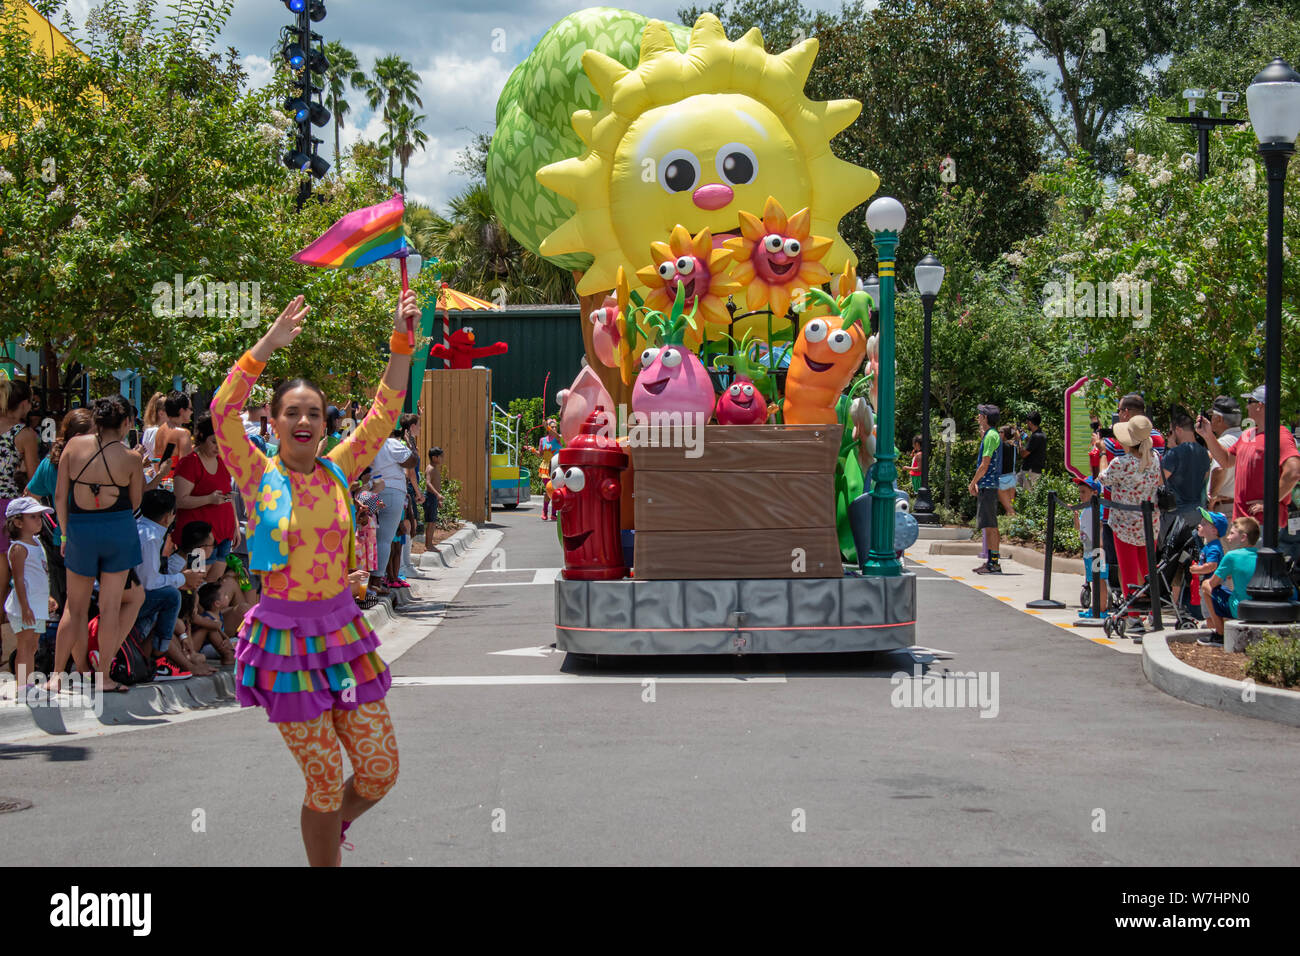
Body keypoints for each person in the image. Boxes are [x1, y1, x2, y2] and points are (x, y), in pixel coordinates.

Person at [210, 291, 413, 867]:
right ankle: (324, 853)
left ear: (326, 425)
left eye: (314, 413)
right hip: (283, 644)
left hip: (343, 638)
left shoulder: (338, 469)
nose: (303, 420)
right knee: (324, 781)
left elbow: (383, 413)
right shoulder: (255, 473)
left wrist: (401, 342)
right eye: (291, 412)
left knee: (379, 772)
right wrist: (267, 346)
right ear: (273, 423)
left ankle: (328, 831)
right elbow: (224, 411)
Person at [50, 394, 144, 693]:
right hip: (118, 531)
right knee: (110, 608)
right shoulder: (131, 458)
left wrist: (65, 534)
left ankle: (56, 675)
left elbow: (60, 496)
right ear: (127, 422)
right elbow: (136, 502)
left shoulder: (74, 446)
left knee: (73, 607)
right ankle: (103, 677)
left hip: (80, 530)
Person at [1197, 385, 1300, 535]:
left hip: (1262, 525)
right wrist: (1207, 435)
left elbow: (1294, 472)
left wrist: (1269, 502)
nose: (1246, 406)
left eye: (1250, 401)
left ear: (1260, 405)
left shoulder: (1280, 434)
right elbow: (1226, 460)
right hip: (1241, 524)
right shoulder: (1248, 434)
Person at [1098, 415, 1162, 638]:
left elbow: (1103, 479)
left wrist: (1103, 454)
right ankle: (1153, 612)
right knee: (1147, 570)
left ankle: (1133, 615)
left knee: (1128, 570)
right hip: (1149, 523)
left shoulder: (1121, 463)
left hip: (1124, 523)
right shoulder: (1154, 459)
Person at [134, 488, 209, 679]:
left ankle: (180, 655)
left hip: (134, 595)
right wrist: (183, 579)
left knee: (175, 599)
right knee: (170, 596)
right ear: (168, 516)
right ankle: (160, 656)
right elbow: (150, 582)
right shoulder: (150, 537)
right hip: (134, 597)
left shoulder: (143, 528)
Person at [172, 412, 237, 584]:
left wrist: (235, 525)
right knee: (194, 583)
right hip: (199, 540)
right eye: (214, 442)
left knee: (211, 587)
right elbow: (179, 500)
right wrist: (209, 499)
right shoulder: (189, 463)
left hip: (223, 535)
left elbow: (227, 496)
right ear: (201, 436)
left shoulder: (222, 461)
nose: (219, 447)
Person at [4, 497, 56, 690]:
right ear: (18, 522)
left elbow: (39, 574)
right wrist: (25, 608)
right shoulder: (19, 548)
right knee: (25, 645)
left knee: (33, 645)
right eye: (33, 517)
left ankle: (26, 683)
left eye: (39, 516)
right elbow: (18, 580)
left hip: (36, 603)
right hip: (25, 606)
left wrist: (48, 597)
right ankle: (23, 686)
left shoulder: (36, 542)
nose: (38, 520)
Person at [369, 420, 419, 591]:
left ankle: (366, 580)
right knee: (385, 539)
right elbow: (410, 462)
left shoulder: (365, 445)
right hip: (392, 491)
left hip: (370, 491)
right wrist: (411, 446)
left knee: (369, 536)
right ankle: (377, 580)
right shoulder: (390, 443)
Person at [1199, 515, 1260, 645]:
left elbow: (1213, 583)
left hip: (1240, 608)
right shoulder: (1260, 554)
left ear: (1243, 538)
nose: (1228, 537)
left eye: (1232, 533)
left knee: (1205, 585)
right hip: (1259, 608)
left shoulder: (1232, 556)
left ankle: (1220, 634)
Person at [0, 380, 40, 552]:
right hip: (7, 502)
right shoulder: (24, 434)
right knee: (3, 558)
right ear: (24, 404)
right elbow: (35, 479)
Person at [26, 408, 94, 505]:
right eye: (96, 435)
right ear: (79, 437)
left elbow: (28, 499)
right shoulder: (98, 462)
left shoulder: (49, 463)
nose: (100, 440)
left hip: (61, 519)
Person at [968, 404, 1003, 574]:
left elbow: (985, 463)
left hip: (987, 485)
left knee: (990, 525)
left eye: (980, 415)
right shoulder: (991, 435)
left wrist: (973, 481)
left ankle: (994, 563)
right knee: (988, 525)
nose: (978, 417)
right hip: (988, 485)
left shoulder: (991, 436)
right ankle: (991, 561)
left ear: (986, 418)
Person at [1162, 412, 1211, 528]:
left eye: (1170, 432)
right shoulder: (1204, 452)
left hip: (1176, 515)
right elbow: (1205, 477)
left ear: (1178, 429)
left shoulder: (1173, 454)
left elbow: (1159, 480)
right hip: (1198, 512)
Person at [1074, 478, 1108, 618]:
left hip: (1097, 550)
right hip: (1088, 550)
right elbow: (1079, 528)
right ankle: (1096, 608)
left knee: (1100, 579)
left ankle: (1101, 609)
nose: (1081, 495)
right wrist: (1075, 517)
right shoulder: (1085, 509)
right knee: (1093, 579)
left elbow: (1101, 525)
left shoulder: (1097, 507)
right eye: (1080, 492)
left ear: (1094, 493)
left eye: (1084, 492)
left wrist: (1100, 544)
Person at [1205, 396, 1243, 514]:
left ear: (1219, 419)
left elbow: (1220, 469)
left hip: (1224, 509)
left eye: (1212, 416)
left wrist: (1213, 497)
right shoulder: (1247, 438)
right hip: (1241, 505)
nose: (1211, 420)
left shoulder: (1222, 442)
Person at [189, 581, 234, 665]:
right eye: (225, 595)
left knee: (237, 642)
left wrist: (226, 638)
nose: (227, 596)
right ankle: (227, 655)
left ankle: (228, 654)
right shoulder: (205, 616)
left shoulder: (218, 613)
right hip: (201, 647)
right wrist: (226, 639)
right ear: (217, 603)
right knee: (209, 625)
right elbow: (215, 625)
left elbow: (217, 627)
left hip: (200, 646)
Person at [153, 390, 193, 473]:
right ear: (181, 410)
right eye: (190, 408)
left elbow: (156, 460)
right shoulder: (183, 434)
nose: (192, 412)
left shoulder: (160, 430)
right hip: (176, 482)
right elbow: (185, 468)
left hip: (160, 481)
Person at [537, 420, 562, 521]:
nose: (554, 428)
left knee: (556, 490)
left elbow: (557, 436)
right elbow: (541, 454)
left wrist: (546, 427)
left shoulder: (558, 438)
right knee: (549, 489)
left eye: (555, 427)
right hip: (547, 467)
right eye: (552, 427)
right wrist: (533, 450)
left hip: (557, 467)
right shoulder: (543, 440)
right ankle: (545, 511)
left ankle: (553, 513)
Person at [1019, 411, 1046, 490]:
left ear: (1030, 422)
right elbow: (1032, 444)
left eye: (1027, 423)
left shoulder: (1036, 437)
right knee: (1014, 486)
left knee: (1026, 496)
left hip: (1031, 472)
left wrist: (1019, 441)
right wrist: (1023, 435)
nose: (1026, 425)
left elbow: (1023, 454)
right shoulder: (1041, 434)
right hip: (1031, 470)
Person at [423, 448, 444, 548]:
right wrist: (437, 495)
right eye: (441, 456)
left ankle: (429, 543)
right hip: (430, 497)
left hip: (434, 498)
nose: (442, 458)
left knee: (433, 521)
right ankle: (428, 545)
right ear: (434, 457)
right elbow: (428, 483)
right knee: (431, 522)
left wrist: (438, 499)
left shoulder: (434, 468)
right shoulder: (430, 468)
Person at [998, 425, 1018, 518]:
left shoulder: (1002, 445)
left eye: (1001, 432)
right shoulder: (1014, 445)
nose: (998, 434)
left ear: (1005, 434)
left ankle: (1018, 527)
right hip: (1012, 478)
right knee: (1010, 507)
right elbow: (1018, 436)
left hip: (1003, 479)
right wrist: (1015, 431)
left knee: (1009, 508)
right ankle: (1011, 528)